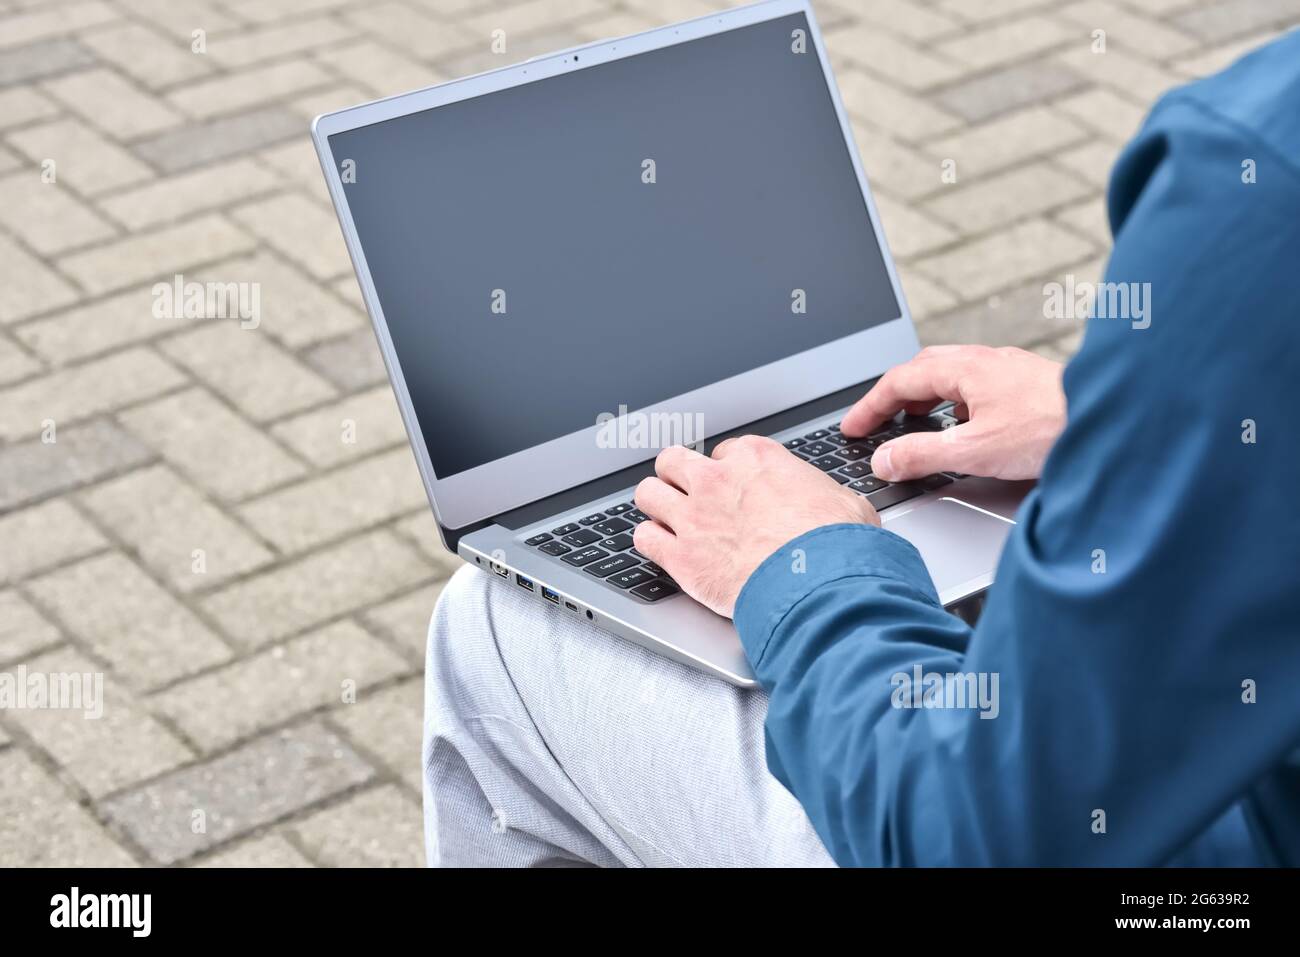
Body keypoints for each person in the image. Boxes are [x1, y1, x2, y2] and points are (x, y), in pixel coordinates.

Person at [422, 30, 1300, 867]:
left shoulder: (1255, 176)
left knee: (497, 619)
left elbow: (974, 834)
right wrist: (1137, 426)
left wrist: (811, 570)